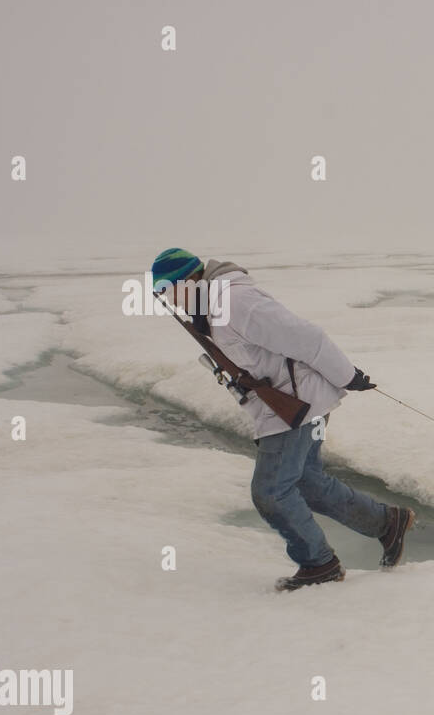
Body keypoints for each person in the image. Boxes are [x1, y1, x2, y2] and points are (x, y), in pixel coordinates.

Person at [150, 247, 414, 590]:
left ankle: (320, 564)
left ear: (187, 280)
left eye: (167, 291)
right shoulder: (210, 307)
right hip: (289, 406)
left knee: (271, 492)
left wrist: (346, 374)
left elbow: (307, 338)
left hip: (298, 405)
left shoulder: (235, 303)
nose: (168, 301)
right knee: (306, 482)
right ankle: (386, 523)